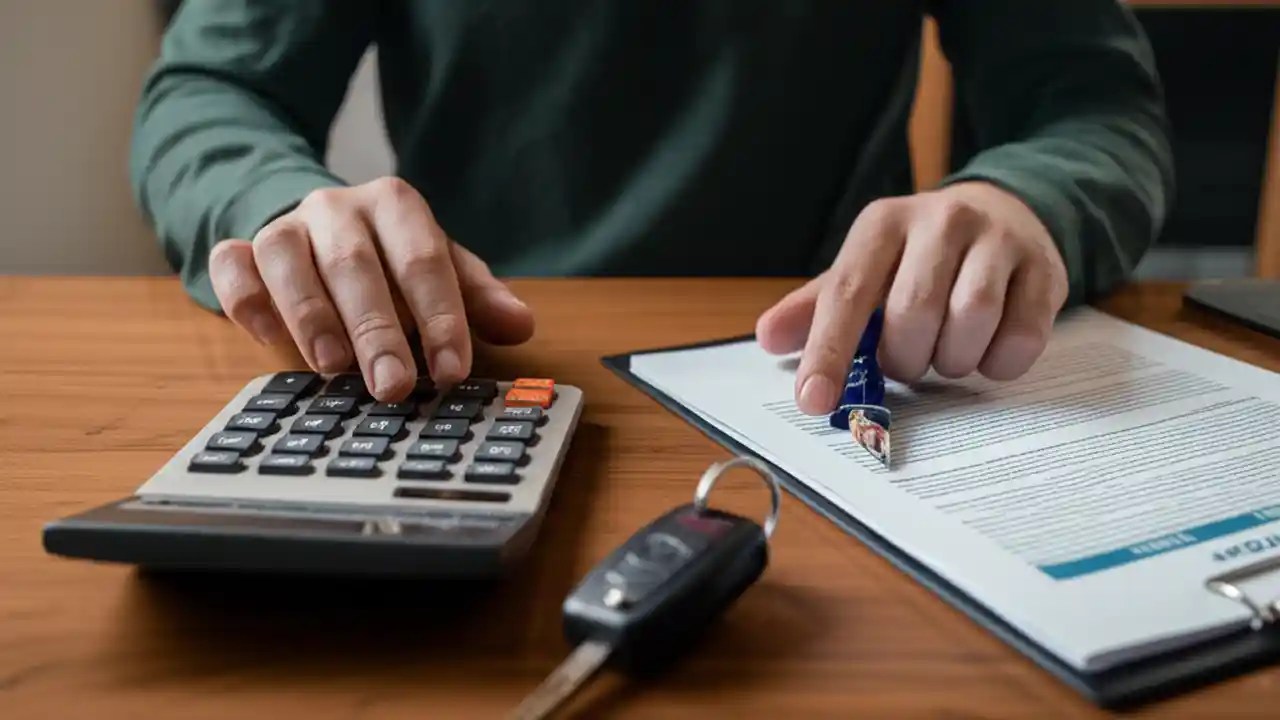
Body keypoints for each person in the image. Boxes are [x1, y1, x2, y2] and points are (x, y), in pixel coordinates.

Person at [129, 1, 1174, 414]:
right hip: (477, 375)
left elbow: (1089, 101)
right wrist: (285, 209)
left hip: (851, 383)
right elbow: (211, 93)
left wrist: (1021, 201)